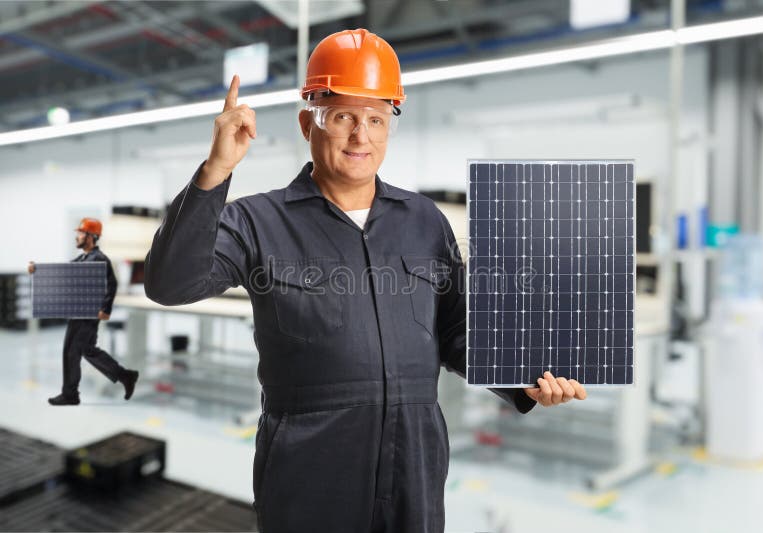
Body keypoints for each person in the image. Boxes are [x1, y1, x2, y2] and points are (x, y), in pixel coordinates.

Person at [144, 29, 587, 533]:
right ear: (307, 124)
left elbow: (456, 331)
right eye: (342, 117)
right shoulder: (256, 221)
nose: (362, 136)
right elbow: (170, 284)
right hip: (310, 470)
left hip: (414, 466)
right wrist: (215, 171)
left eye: (376, 119)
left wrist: (523, 376)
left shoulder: (424, 220)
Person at [29, 217, 139, 406]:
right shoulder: (83, 258)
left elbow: (112, 284)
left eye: (80, 233)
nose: (77, 237)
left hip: (88, 314)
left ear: (91, 236)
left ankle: (71, 394)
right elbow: (62, 272)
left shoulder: (99, 258)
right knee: (87, 350)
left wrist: (105, 309)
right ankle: (125, 376)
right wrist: (37, 269)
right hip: (80, 312)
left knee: (71, 351)